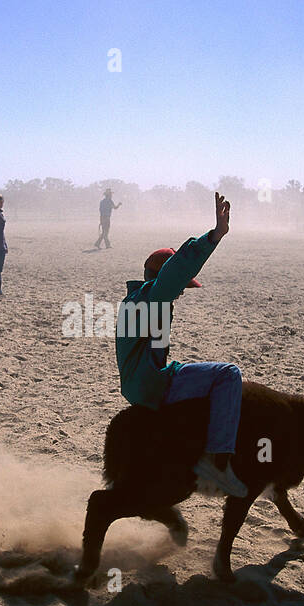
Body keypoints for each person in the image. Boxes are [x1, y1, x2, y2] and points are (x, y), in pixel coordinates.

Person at [115, 191, 247, 496]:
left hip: (139, 382)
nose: (183, 292)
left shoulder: (136, 301)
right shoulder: (153, 297)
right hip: (151, 384)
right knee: (228, 374)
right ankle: (219, 462)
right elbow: (175, 273)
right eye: (181, 286)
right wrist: (214, 235)